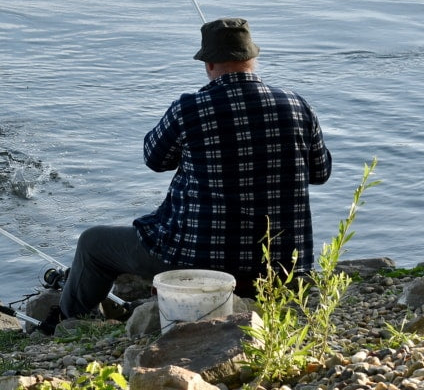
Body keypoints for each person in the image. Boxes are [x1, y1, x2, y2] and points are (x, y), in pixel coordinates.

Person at [42, 17, 332, 333]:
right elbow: (320, 172)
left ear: (208, 64)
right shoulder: (298, 105)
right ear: (253, 59)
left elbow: (153, 158)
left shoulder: (190, 107)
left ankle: (69, 326)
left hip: (204, 265)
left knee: (93, 242)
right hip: (282, 267)